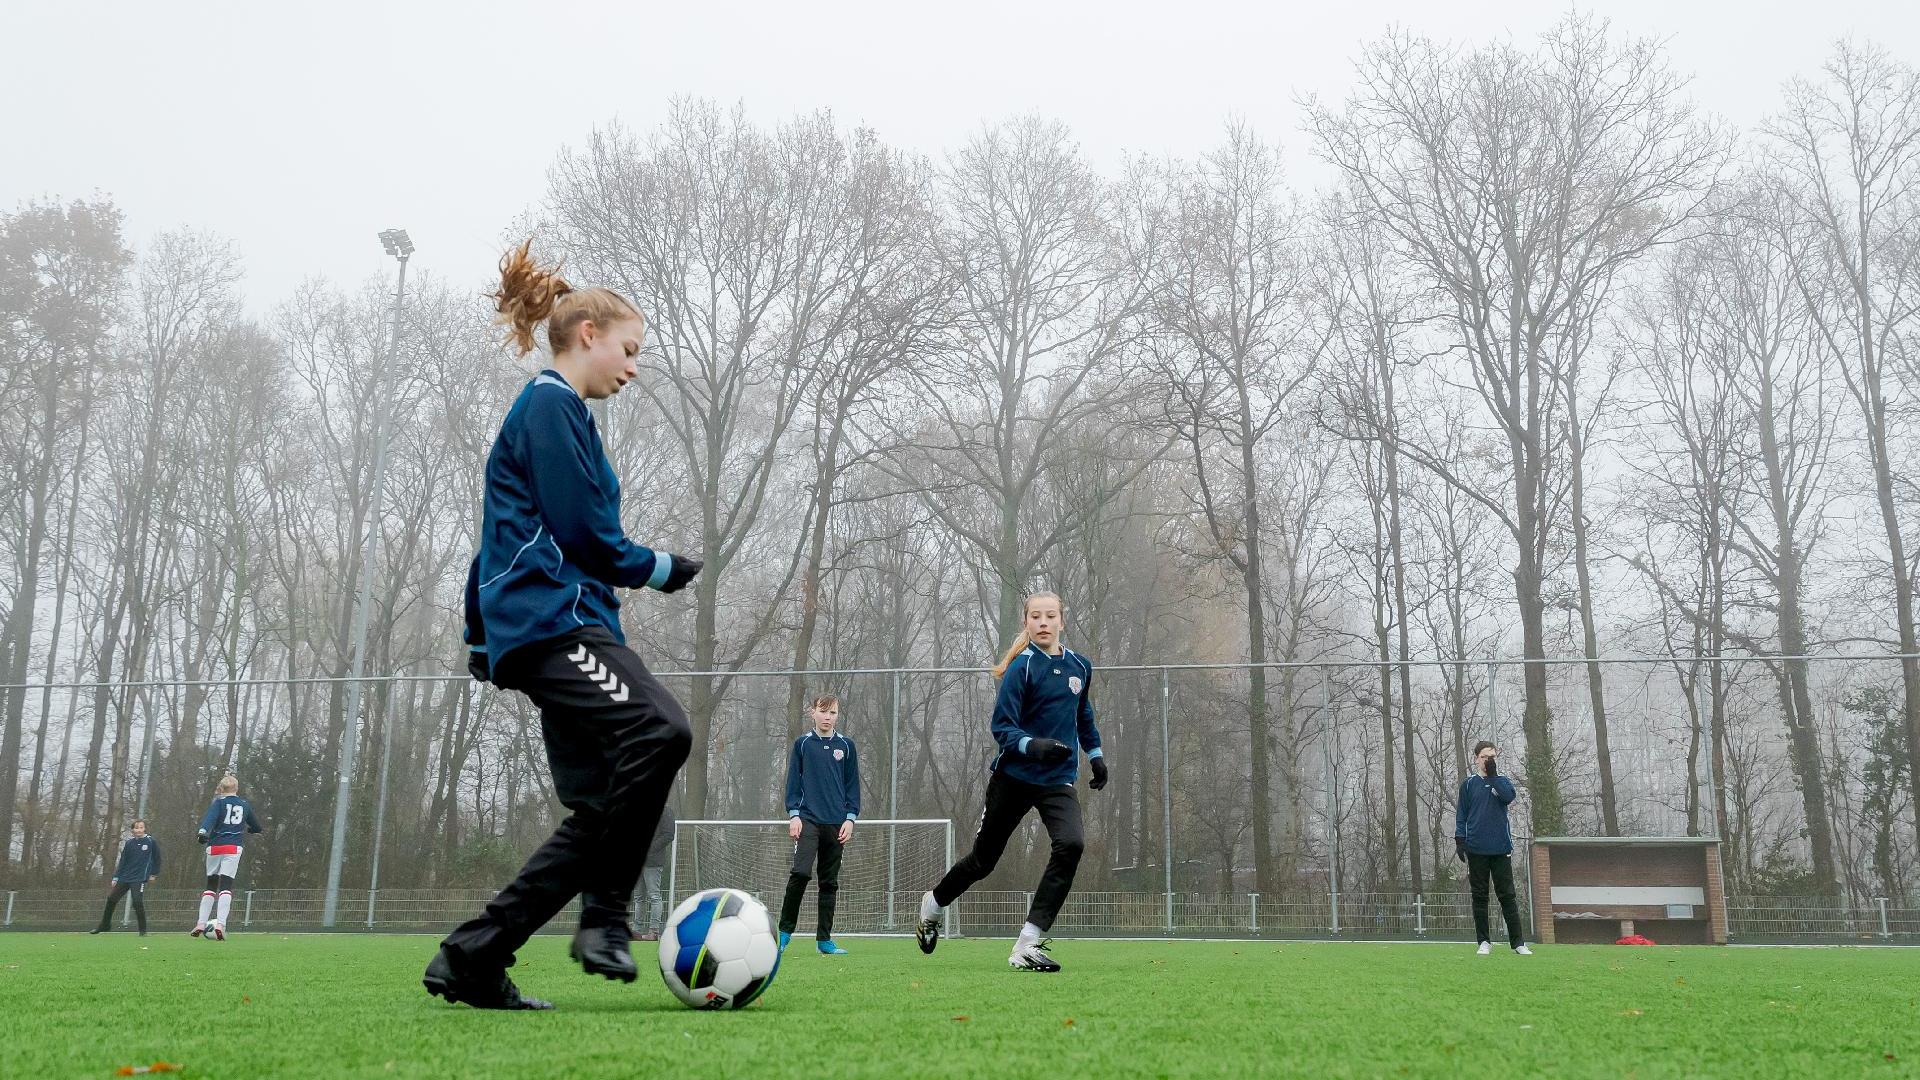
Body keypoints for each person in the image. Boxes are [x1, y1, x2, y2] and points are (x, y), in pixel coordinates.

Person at [424, 240, 702, 1011]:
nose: (634, 367)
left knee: (601, 811)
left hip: (556, 627)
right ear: (588, 334)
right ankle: (606, 917)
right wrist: (658, 567)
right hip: (559, 627)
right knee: (662, 729)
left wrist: (480, 634)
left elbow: (496, 538)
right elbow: (583, 536)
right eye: (630, 350)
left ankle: (472, 957)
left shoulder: (556, 415)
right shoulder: (550, 406)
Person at [916, 591, 1108, 972]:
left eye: (1050, 616)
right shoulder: (1022, 668)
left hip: (1058, 780)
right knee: (982, 861)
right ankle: (932, 906)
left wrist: (1096, 755)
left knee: (1071, 844)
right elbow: (1002, 727)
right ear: (1026, 622)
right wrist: (1032, 746)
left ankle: (1027, 943)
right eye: (1035, 616)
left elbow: (1082, 715)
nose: (1043, 622)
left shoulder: (1080, 667)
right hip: (1014, 778)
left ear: (1062, 621)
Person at [778, 694, 860, 955]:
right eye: (823, 711)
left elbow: (852, 785)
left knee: (829, 882)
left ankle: (824, 940)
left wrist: (850, 818)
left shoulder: (846, 746)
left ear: (837, 715)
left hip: (837, 823)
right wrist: (794, 815)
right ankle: (783, 934)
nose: (828, 717)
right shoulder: (802, 744)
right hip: (808, 820)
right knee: (801, 873)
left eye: (833, 713)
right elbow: (793, 782)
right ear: (812, 712)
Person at [1455, 741, 1532, 956]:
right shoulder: (1468, 785)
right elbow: (1462, 814)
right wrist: (1460, 840)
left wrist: (1494, 776)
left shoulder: (1502, 782)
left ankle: (1518, 943)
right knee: (1480, 896)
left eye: (1492, 757)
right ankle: (1484, 942)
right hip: (1476, 848)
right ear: (1476, 759)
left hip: (1500, 848)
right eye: (1484, 757)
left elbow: (1508, 797)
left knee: (1507, 895)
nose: (1488, 760)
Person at [193, 774, 262, 941]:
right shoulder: (244, 805)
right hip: (232, 848)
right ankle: (221, 924)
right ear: (236, 788)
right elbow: (257, 826)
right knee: (226, 886)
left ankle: (201, 923)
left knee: (210, 886)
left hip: (215, 847)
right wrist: (252, 830)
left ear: (221, 789)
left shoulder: (219, 803)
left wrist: (202, 832)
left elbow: (209, 820)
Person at [92, 819, 161, 936]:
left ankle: (143, 930)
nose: (139, 830)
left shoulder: (150, 841)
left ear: (144, 829)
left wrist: (153, 874)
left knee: (137, 902)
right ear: (133, 830)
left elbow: (157, 858)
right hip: (125, 877)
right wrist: (116, 877)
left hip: (139, 878)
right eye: (136, 828)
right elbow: (123, 861)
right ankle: (105, 925)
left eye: (141, 827)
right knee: (111, 899)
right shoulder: (129, 843)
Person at [637, 802, 676, 941]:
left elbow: (668, 835)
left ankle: (654, 931)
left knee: (654, 895)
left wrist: (649, 848)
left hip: (653, 862)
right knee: (639, 897)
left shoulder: (665, 811)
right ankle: (637, 931)